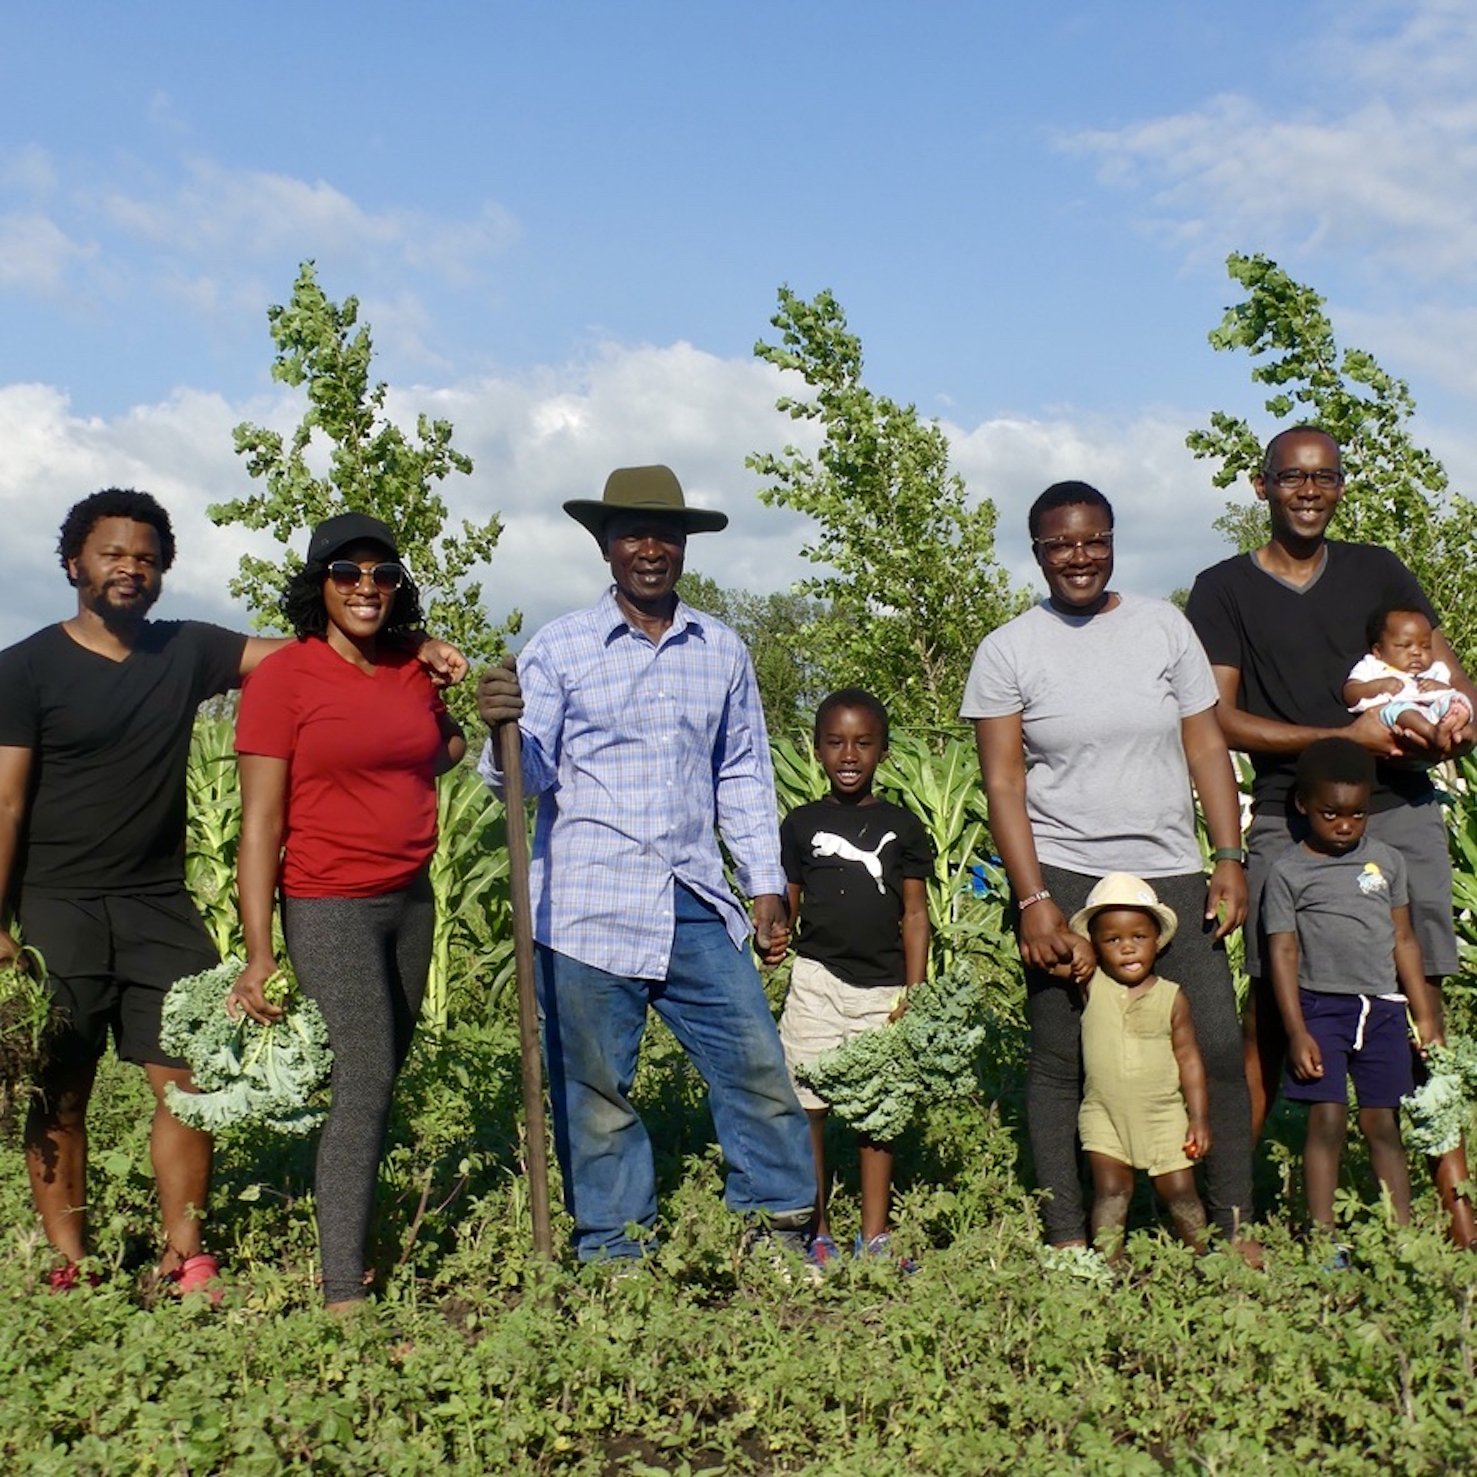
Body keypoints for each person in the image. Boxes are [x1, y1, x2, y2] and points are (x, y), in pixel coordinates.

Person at [0, 489, 462, 1295]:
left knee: (192, 1079)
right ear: (74, 562)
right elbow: (4, 801)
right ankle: (68, 1259)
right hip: (55, 900)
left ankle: (187, 1254)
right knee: (62, 1087)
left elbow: (318, 647)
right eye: (111, 554)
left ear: (164, 571)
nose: (129, 569)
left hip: (156, 899)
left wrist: (415, 640)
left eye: (145, 557)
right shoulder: (24, 667)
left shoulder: (187, 650)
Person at [474, 465, 815, 1265]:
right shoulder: (559, 648)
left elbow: (741, 771)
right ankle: (615, 1252)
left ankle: (779, 1233)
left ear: (686, 547)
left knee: (757, 1068)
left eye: (665, 534)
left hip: (695, 896)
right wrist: (501, 730)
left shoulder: (721, 650)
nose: (650, 549)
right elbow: (529, 775)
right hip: (589, 907)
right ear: (604, 546)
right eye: (631, 533)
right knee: (594, 1094)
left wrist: (763, 881)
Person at [1185, 425, 1477, 1245]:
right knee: (1277, 1011)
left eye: (1324, 478)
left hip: (1397, 811)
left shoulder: (1377, 569)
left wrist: (1455, 725)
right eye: (1291, 478)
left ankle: (1454, 1211)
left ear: (1339, 486)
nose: (1308, 492)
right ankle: (1235, 1212)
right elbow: (1218, 719)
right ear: (1260, 485)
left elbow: (1450, 677)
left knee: (1420, 1003)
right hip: (1288, 816)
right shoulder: (1221, 589)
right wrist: (1343, 740)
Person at [963, 480, 1255, 1255]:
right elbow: (1003, 783)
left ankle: (1231, 1227)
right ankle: (1068, 1237)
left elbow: (1204, 746)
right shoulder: (1007, 649)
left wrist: (1226, 856)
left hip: (1168, 872)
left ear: (1113, 539)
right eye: (1060, 543)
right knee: (1064, 1060)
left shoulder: (1164, 628)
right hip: (1063, 874)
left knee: (1217, 1045)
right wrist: (1031, 899)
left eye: (1093, 539)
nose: (1079, 556)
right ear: (1037, 553)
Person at [229, 513, 465, 1312]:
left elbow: (440, 748)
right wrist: (259, 952)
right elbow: (259, 824)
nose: (365, 586)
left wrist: (443, 673)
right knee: (364, 1074)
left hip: (411, 898)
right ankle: (341, 1291)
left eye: (382, 574)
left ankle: (352, 1230)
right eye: (346, 572)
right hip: (329, 902)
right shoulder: (283, 680)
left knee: (381, 1070)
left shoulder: (408, 666)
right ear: (317, 584)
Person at [764, 688, 932, 1266]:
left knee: (877, 1108)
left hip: (884, 989)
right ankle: (817, 1229)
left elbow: (915, 913)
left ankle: (876, 1235)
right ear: (816, 750)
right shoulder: (802, 823)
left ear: (882, 751)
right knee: (807, 1104)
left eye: (863, 743)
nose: (849, 754)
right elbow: (785, 902)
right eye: (835, 742)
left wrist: (915, 988)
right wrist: (773, 935)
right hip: (816, 980)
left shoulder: (902, 826)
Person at [1263, 739, 1441, 1256]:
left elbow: (1404, 939)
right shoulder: (1289, 872)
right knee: (1328, 1119)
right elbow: (1283, 952)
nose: (1344, 824)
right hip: (1322, 1007)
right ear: (1303, 805)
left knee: (1381, 1122)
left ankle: (1401, 1239)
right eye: (1330, 813)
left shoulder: (1386, 862)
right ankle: (1323, 1243)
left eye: (1357, 813)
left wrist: (1423, 1016)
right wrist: (1296, 1030)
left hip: (1384, 1008)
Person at [1067, 873, 1211, 1262]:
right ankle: (1109, 1268)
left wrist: (1197, 1118)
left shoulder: (1171, 997)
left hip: (1164, 1116)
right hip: (1105, 1115)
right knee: (1111, 1192)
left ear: (1157, 942)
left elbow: (1190, 1059)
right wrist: (1079, 948)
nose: (1127, 949)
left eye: (1139, 938)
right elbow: (1052, 951)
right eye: (1112, 940)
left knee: (1181, 1193)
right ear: (1094, 947)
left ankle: (1202, 1263)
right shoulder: (1092, 984)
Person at [1344, 605, 1471, 750]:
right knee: (1401, 709)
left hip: (1434, 712)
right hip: (1396, 714)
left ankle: (1457, 724)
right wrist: (1378, 686)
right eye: (1404, 646)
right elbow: (1350, 692)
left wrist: (1440, 687)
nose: (1417, 652)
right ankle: (1431, 732)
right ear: (1378, 651)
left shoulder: (1434, 670)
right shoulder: (1372, 665)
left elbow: (1449, 690)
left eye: (1425, 646)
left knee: (1457, 698)